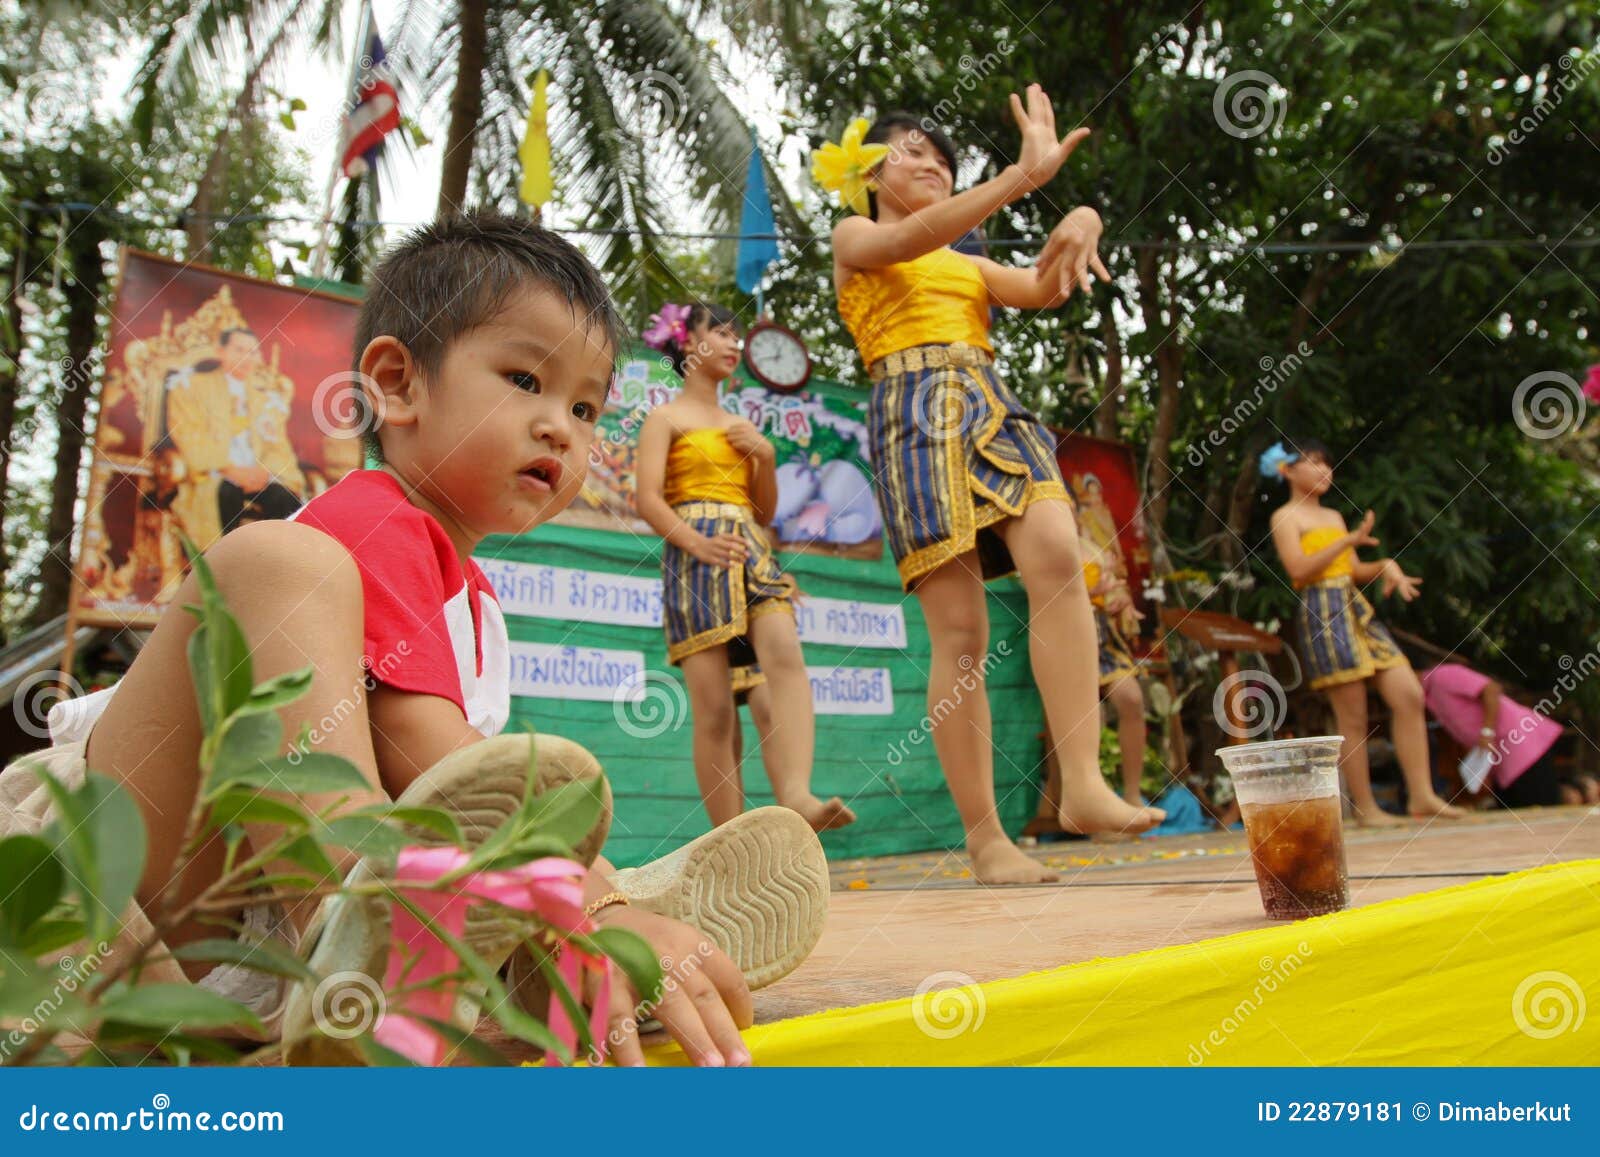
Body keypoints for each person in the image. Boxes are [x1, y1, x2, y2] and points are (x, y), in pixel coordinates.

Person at [1, 215, 829, 1068]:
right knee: (271, 557)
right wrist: (593, 895)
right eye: (524, 379)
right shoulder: (371, 520)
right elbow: (434, 759)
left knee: (493, 821)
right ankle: (397, 935)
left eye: (585, 407)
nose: (561, 427)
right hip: (84, 892)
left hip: (211, 972)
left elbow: (453, 789)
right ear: (397, 383)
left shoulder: (474, 606)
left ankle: (477, 954)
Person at [818, 89, 1165, 885]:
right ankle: (986, 840)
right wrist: (1019, 178)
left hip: (990, 402)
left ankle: (1081, 782)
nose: (931, 162)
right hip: (913, 413)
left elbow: (1043, 287)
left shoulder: (969, 264)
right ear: (867, 172)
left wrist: (1081, 216)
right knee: (962, 633)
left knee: (1055, 551)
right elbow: (910, 237)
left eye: (941, 157)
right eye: (909, 150)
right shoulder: (857, 235)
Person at [634, 301, 855, 833]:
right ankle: (728, 842)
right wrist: (694, 542)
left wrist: (766, 459)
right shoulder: (663, 418)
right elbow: (646, 499)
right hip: (695, 558)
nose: (735, 345)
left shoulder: (742, 426)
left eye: (737, 337)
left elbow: (764, 512)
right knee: (713, 709)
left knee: (784, 653)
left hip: (751, 547)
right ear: (689, 344)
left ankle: (797, 795)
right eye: (724, 334)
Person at [1263, 439, 1465, 824]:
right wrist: (1346, 541)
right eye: (1314, 463)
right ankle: (1367, 809)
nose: (1325, 471)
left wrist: (1386, 565)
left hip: (1356, 608)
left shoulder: (1335, 517)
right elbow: (1299, 571)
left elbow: (1352, 569)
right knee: (1352, 716)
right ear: (1287, 470)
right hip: (1323, 611)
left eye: (1328, 464)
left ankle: (1421, 795)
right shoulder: (1284, 517)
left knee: (1408, 694)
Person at [162, 327, 306, 541]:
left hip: (256, 477)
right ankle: (223, 568)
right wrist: (228, 468)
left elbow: (278, 447)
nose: (247, 358)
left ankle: (275, 566)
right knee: (227, 493)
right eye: (239, 350)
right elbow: (188, 435)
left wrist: (264, 473)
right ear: (221, 352)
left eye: (253, 352)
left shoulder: (265, 400)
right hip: (214, 476)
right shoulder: (190, 388)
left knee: (284, 499)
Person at [1419, 662, 1564, 805]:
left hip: (1523, 746)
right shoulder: (1428, 697)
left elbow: (1490, 689)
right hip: (1499, 761)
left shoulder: (1442, 676)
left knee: (1539, 804)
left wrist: (1487, 732)